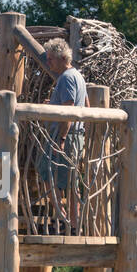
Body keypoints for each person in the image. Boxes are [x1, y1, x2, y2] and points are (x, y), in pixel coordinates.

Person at [35, 39, 87, 232]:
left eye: (51, 59)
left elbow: (68, 110)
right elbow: (86, 105)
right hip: (76, 135)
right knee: (71, 181)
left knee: (45, 170)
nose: (48, 63)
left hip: (65, 135)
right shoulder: (78, 76)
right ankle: (74, 223)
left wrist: (62, 140)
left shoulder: (66, 78)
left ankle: (64, 217)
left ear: (63, 58)